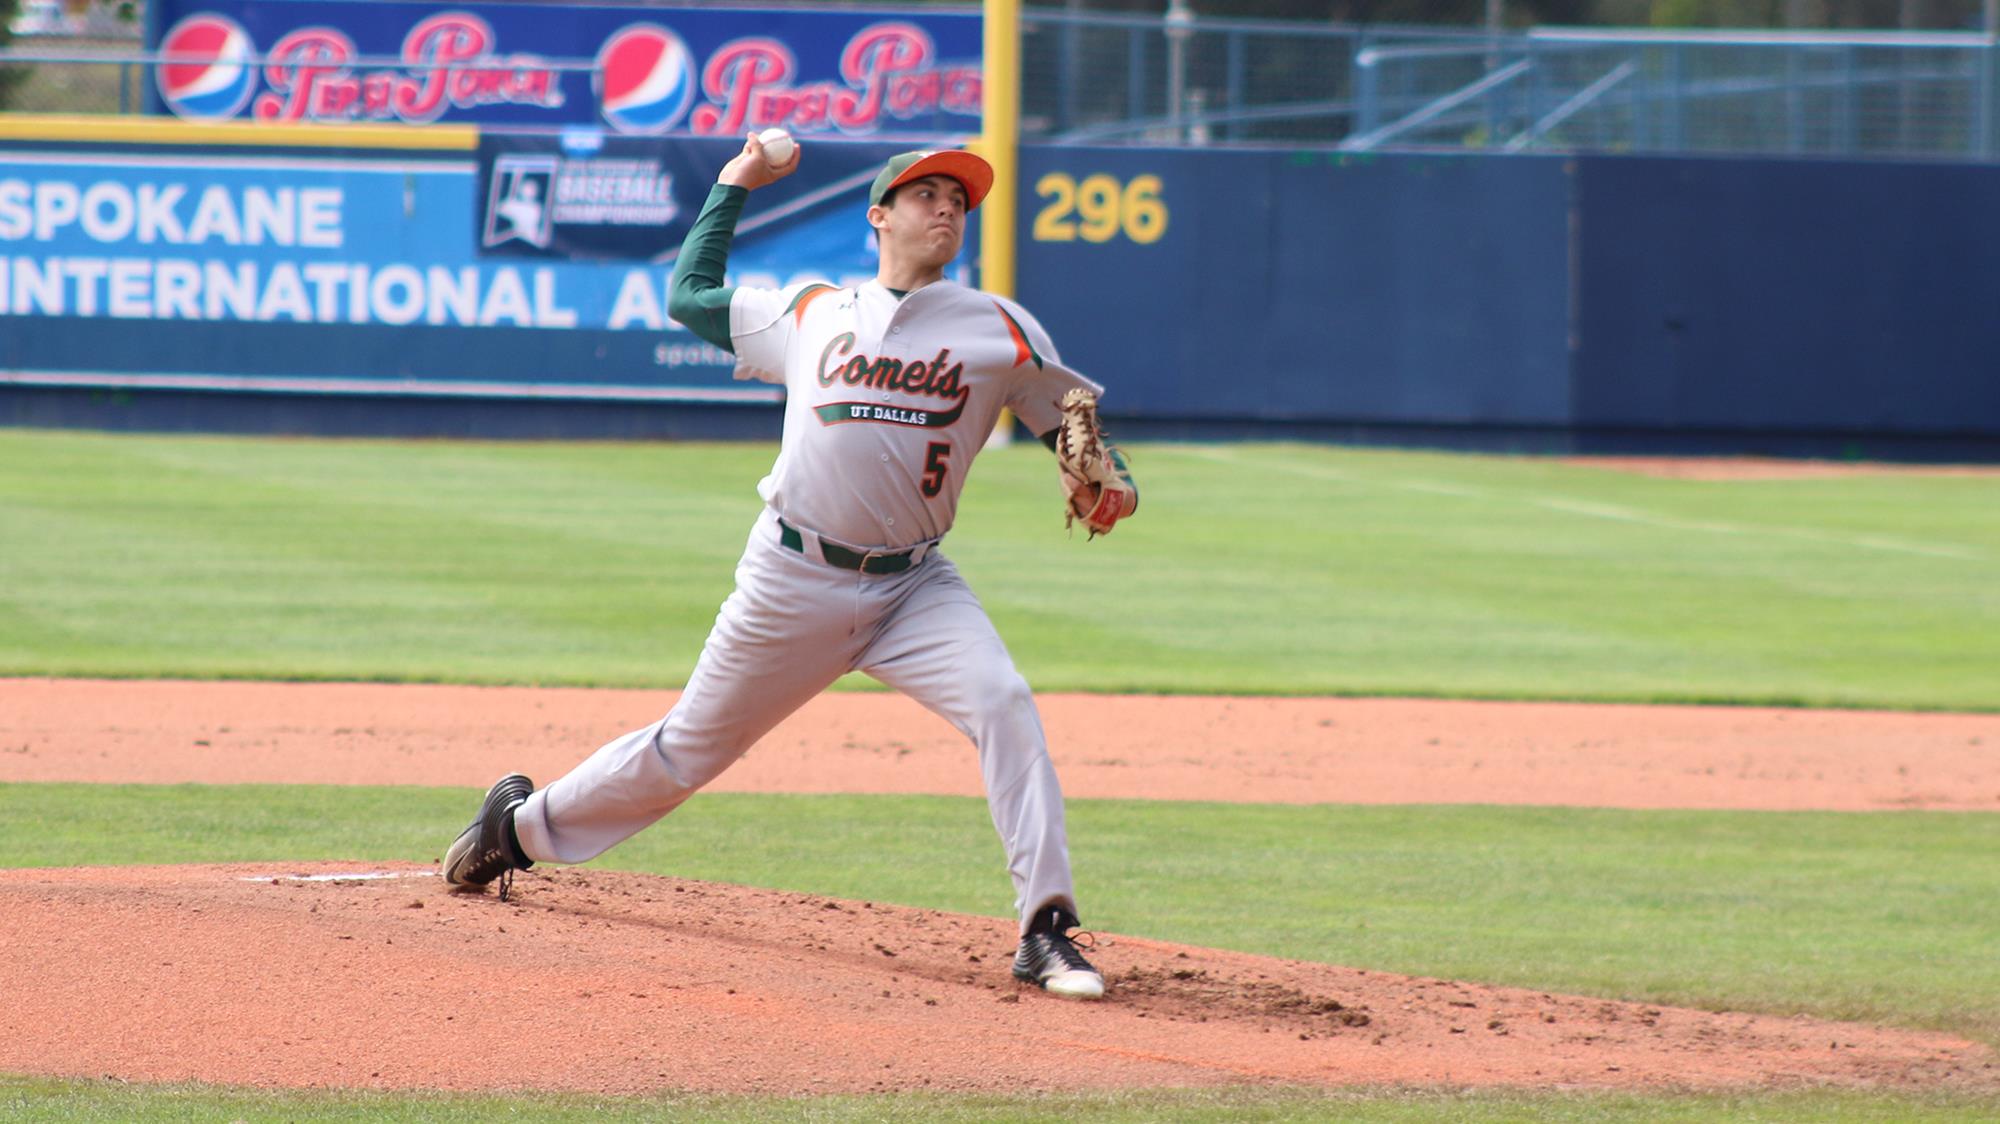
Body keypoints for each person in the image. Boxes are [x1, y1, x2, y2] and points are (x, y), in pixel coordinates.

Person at [442, 136, 1138, 1000]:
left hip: (914, 588)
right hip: (791, 576)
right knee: (684, 753)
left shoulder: (1001, 329)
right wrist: (735, 181)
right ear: (879, 215)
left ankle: (1046, 930)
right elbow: (688, 296)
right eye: (926, 194)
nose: (948, 207)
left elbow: (1081, 444)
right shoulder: (813, 310)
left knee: (1003, 700)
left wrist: (1113, 492)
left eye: (960, 198)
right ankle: (516, 831)